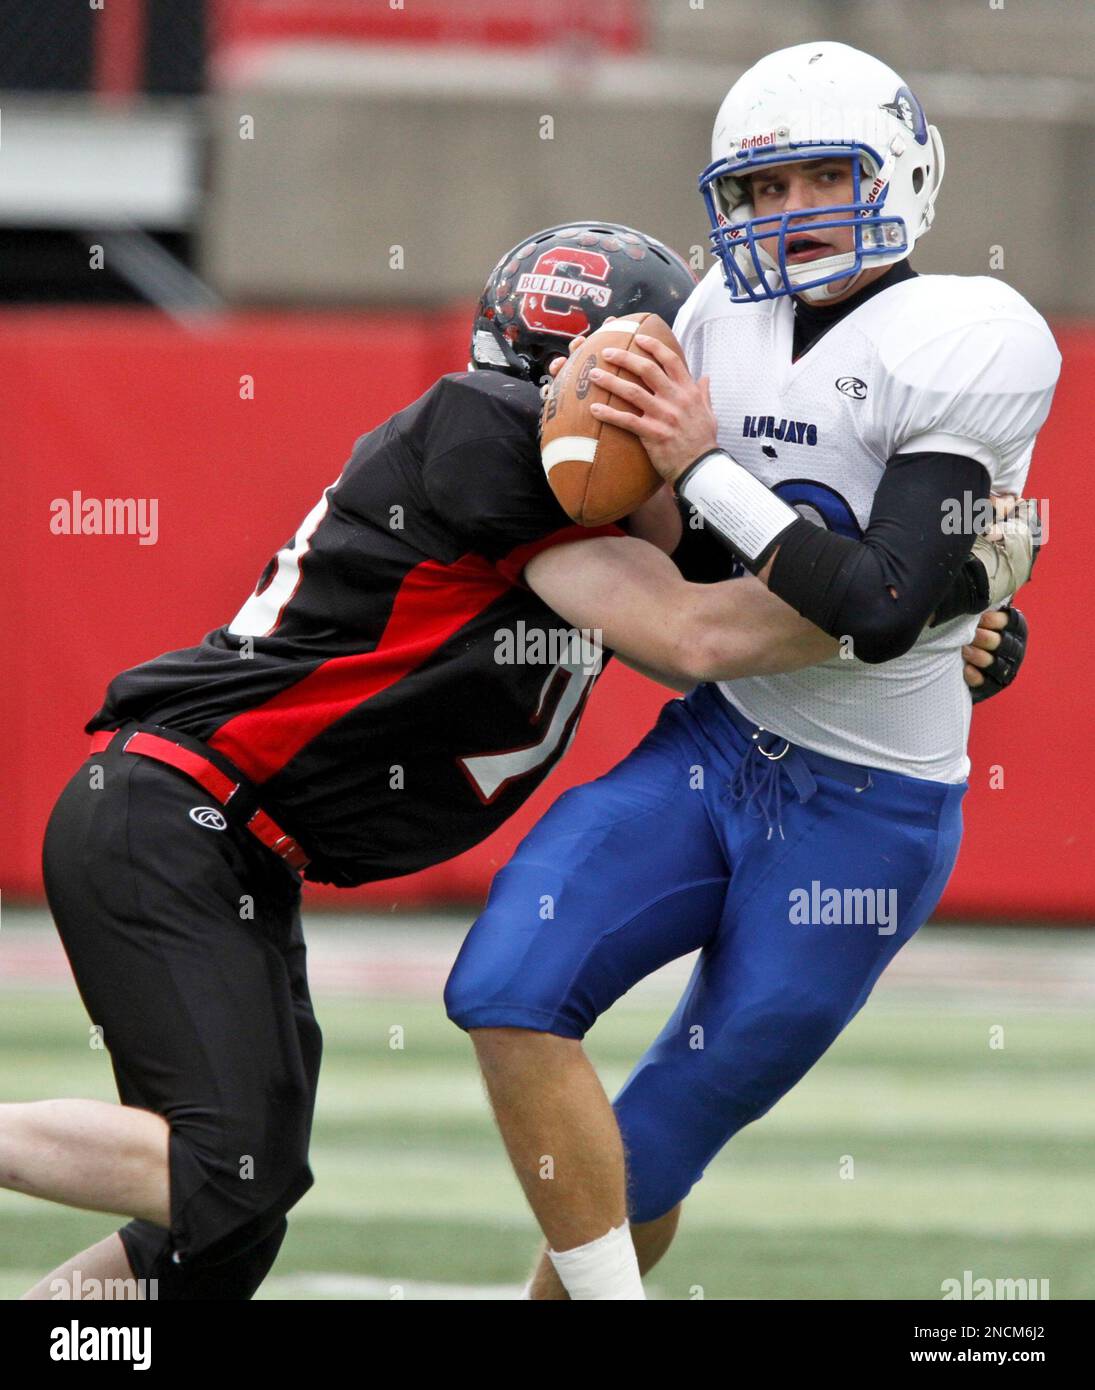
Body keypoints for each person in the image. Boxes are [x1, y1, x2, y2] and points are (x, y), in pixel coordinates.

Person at [5, 220, 1010, 1302]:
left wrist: (939, 624)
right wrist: (937, 595)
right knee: (228, 1175)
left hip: (228, 845)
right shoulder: (490, 429)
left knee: (224, 1229)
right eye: (643, 384)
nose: (674, 426)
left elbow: (758, 619)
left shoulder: (590, 501)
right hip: (171, 813)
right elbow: (701, 637)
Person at [443, 42, 1060, 1300]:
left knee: (657, 1146)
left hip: (869, 817)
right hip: (720, 742)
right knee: (502, 983)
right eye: (765, 189)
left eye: (824, 176)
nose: (793, 213)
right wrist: (968, 603)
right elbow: (749, 553)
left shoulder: (974, 334)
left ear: (903, 170)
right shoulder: (714, 312)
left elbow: (882, 601)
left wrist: (707, 460)